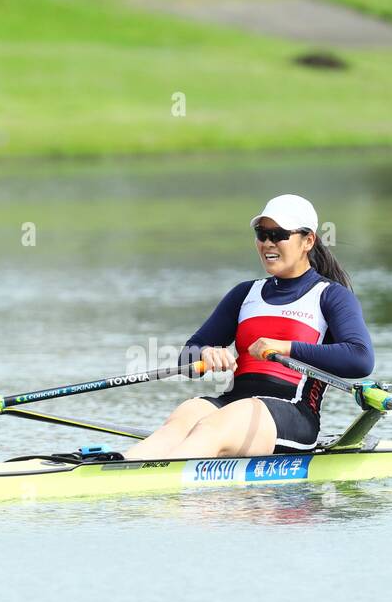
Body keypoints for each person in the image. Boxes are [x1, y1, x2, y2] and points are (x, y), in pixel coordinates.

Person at [124, 194, 374, 460]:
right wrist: (206, 354)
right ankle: (120, 469)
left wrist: (285, 347)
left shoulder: (331, 295)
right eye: (261, 233)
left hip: (292, 413)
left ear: (308, 241)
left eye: (278, 234)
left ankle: (164, 483)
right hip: (234, 405)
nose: (267, 243)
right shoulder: (245, 294)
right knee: (186, 415)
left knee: (213, 427)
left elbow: (360, 359)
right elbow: (187, 356)